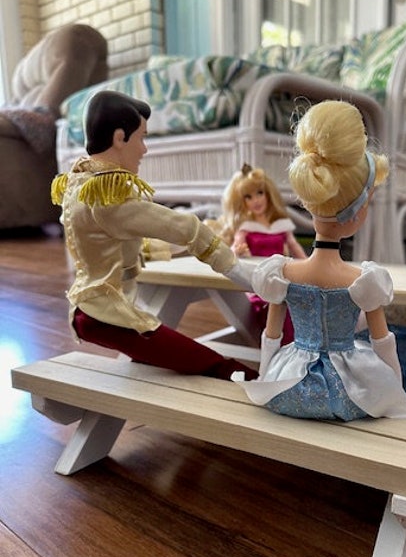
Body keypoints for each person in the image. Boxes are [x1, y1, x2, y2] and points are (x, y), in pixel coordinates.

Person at [51, 90, 257, 380]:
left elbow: (115, 243)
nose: (144, 149)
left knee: (176, 357)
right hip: (106, 314)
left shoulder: (78, 183)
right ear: (120, 138)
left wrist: (169, 251)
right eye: (141, 138)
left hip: (89, 306)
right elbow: (186, 227)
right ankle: (255, 384)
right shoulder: (110, 197)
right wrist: (235, 269)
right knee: (212, 363)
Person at [233, 100, 406, 421]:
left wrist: (266, 379)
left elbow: (271, 337)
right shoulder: (362, 279)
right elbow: (382, 342)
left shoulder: (281, 272)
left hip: (290, 386)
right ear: (357, 213)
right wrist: (392, 393)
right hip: (345, 390)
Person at [216, 163, 307, 343]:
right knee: (273, 308)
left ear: (268, 194)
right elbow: (234, 248)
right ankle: (281, 346)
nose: (256, 200)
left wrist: (308, 263)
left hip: (282, 277)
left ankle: (296, 344)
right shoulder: (246, 227)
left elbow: (294, 246)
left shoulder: (280, 224)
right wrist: (238, 251)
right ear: (242, 202)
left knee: (297, 303)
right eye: (248, 197)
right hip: (259, 281)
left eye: (260, 193)